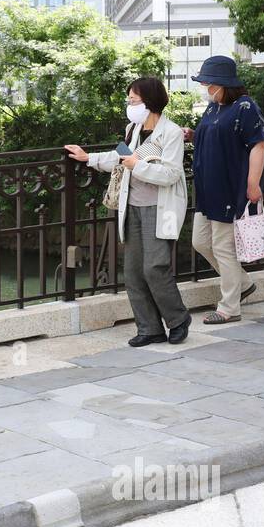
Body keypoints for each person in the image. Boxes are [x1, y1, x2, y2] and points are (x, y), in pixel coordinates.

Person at [65, 77, 191, 346]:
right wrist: (89, 158)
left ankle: (178, 320)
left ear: (150, 100)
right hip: (131, 206)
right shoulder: (132, 129)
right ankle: (149, 328)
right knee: (133, 272)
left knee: (155, 268)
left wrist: (138, 166)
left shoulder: (171, 133)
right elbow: (120, 157)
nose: (130, 104)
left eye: (133, 99)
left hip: (160, 208)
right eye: (129, 99)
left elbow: (170, 174)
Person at [183, 55, 264, 324]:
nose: (206, 89)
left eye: (209, 84)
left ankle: (229, 307)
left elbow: (258, 145)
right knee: (200, 241)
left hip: (229, 188)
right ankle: (242, 283)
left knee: (223, 248)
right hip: (208, 189)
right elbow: (215, 136)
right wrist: (193, 136)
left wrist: (253, 184)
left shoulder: (245, 107)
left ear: (222, 84)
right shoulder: (213, 108)